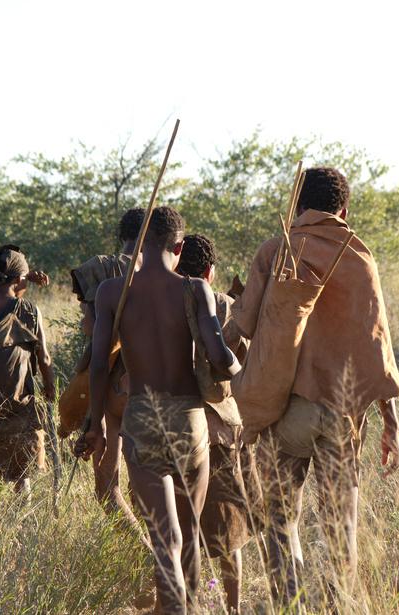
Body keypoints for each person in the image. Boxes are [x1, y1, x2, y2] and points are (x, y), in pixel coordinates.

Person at [230, 167, 399, 605]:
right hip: (341, 416)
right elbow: (377, 346)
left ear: (299, 206)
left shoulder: (277, 250)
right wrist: (391, 425)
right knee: (339, 525)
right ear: (343, 209)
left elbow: (240, 327)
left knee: (279, 518)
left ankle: (291, 603)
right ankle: (339, 604)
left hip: (285, 412)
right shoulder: (360, 257)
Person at [79, 207, 241, 614]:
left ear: (133, 244)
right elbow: (219, 357)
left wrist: (95, 420)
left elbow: (98, 364)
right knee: (188, 532)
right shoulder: (194, 289)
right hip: (189, 422)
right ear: (179, 247)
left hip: (141, 420)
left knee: (164, 538)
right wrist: (243, 370)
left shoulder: (111, 293)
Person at [175, 234, 251, 613]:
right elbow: (237, 360)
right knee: (229, 530)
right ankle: (232, 608)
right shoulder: (223, 306)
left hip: (166, 428)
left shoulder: (156, 303)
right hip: (218, 430)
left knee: (177, 529)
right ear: (209, 270)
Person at [66, 208, 145, 523]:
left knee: (108, 491)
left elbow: (90, 327)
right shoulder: (164, 275)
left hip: (110, 385)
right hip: (151, 383)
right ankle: (156, 564)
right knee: (150, 489)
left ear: (123, 236)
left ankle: (148, 560)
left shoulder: (101, 269)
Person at [0, 244, 55, 492]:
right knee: (21, 472)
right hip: (19, 399)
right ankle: (21, 523)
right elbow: (44, 358)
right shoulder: (29, 311)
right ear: (18, 278)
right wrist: (50, 389)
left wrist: (22, 279)